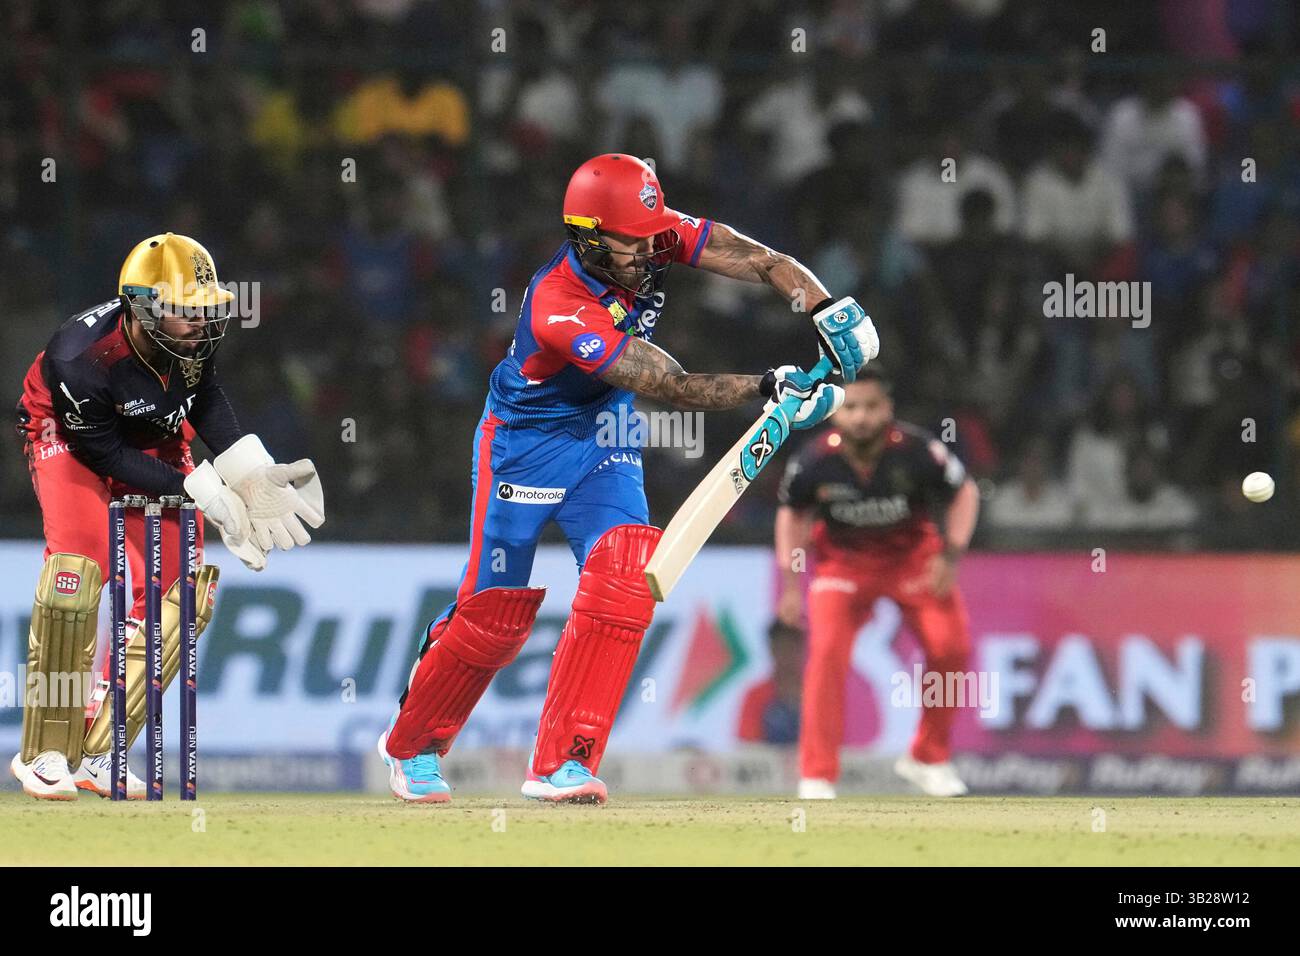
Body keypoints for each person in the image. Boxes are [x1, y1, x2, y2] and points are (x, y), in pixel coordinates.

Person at [380, 153, 878, 804]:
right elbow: (669, 384)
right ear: (587, 235)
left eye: (652, 232)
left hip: (603, 437)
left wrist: (825, 306)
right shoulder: (560, 306)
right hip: (523, 448)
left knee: (624, 581)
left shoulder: (645, 230)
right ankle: (413, 748)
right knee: (490, 618)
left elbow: (760, 260)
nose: (648, 247)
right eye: (629, 239)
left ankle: (563, 763)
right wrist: (769, 387)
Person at [11, 233, 323, 800]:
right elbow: (104, 457)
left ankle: (101, 751)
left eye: (205, 308)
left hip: (154, 433)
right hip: (70, 434)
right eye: (186, 310)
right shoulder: (76, 359)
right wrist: (203, 490)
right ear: (142, 308)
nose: (201, 321)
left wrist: (249, 470)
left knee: (181, 597)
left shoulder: (189, 340)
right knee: (78, 573)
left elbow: (203, 398)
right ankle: (48, 750)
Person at [775, 371, 977, 799]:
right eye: (850, 408)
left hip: (914, 561)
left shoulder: (920, 451)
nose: (861, 418)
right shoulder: (813, 460)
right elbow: (792, 516)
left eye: (871, 407)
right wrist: (791, 584)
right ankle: (817, 775)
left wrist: (951, 555)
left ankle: (928, 757)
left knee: (951, 648)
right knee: (826, 655)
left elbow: (965, 493)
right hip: (843, 568)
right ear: (835, 414)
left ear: (888, 409)